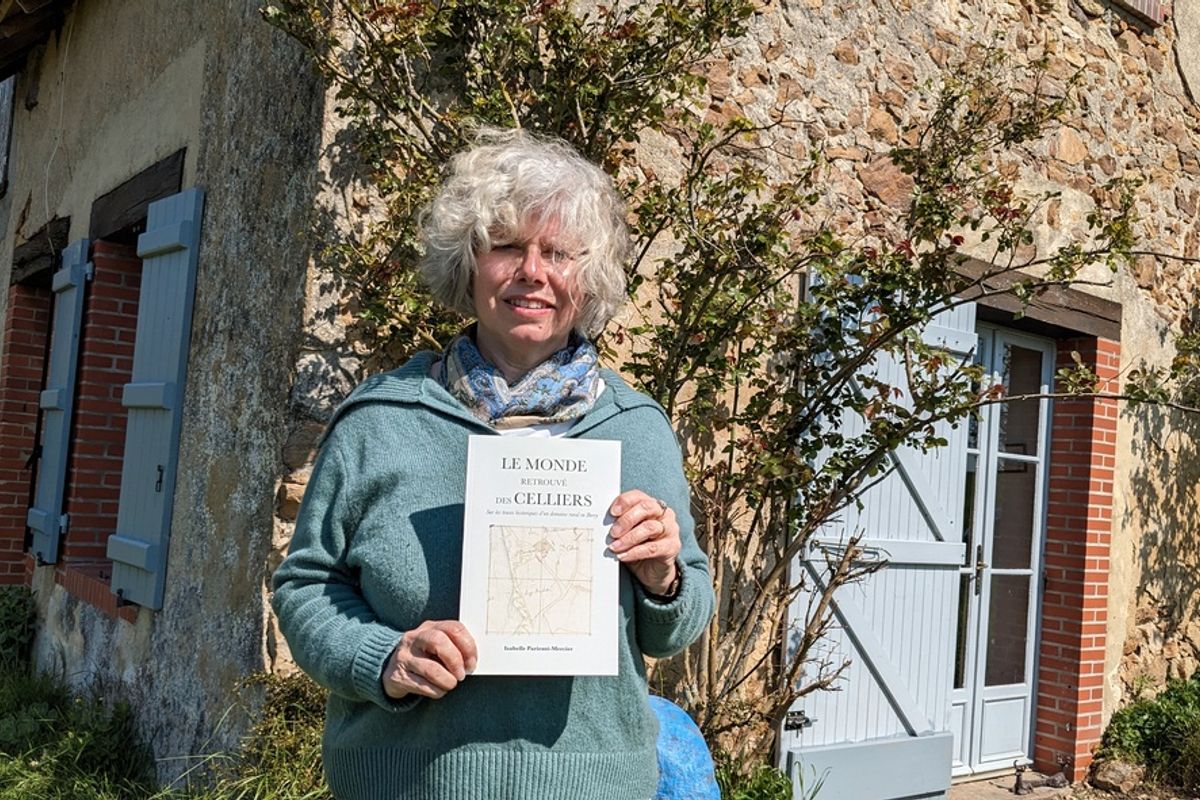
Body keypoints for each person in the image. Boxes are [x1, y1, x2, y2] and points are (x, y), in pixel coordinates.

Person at [271, 128, 714, 800]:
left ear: (586, 277)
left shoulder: (637, 430)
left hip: (592, 787)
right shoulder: (381, 421)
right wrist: (383, 658)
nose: (532, 271)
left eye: (558, 252)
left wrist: (662, 577)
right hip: (406, 784)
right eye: (506, 246)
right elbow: (305, 586)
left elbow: (677, 624)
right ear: (469, 263)